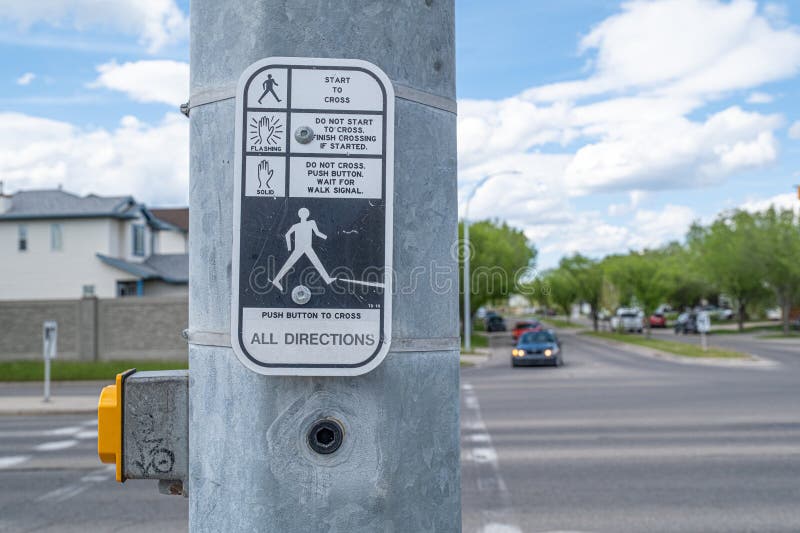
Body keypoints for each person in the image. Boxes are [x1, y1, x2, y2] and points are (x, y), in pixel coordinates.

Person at [272, 208, 334, 290]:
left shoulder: (300, 225)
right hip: (301, 247)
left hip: (306, 247)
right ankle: (276, 280)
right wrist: (326, 237)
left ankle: (327, 279)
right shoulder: (307, 223)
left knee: (316, 262)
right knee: (290, 264)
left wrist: (289, 247)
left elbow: (287, 235)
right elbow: (317, 233)